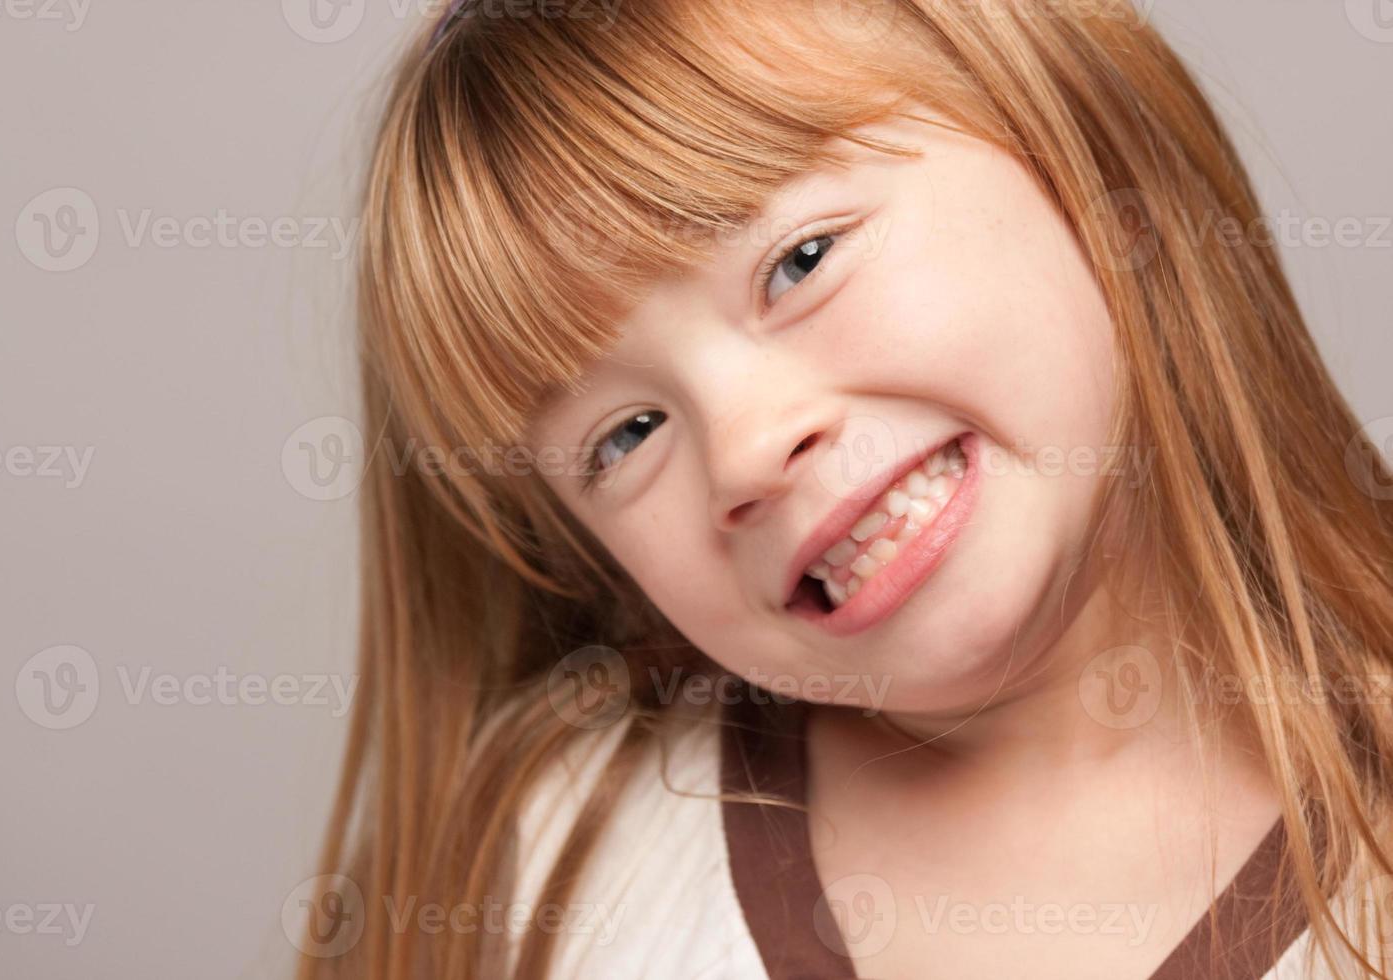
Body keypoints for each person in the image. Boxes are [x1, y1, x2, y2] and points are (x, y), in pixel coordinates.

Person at [295, 1, 1393, 976]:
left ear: (1099, 177)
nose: (744, 451)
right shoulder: (544, 877)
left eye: (802, 260)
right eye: (628, 433)